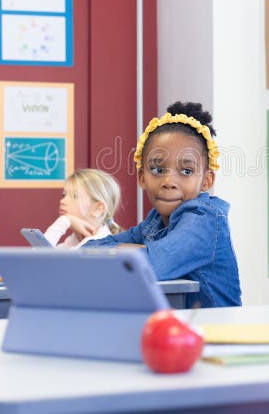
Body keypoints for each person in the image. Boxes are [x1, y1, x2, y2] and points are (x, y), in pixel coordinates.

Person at [83, 101, 242, 308]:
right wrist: (142, 250)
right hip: (177, 327)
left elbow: (150, 265)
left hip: (216, 332)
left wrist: (141, 252)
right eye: (158, 170)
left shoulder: (204, 219)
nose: (169, 182)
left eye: (186, 171)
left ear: (206, 181)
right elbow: (88, 249)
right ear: (142, 177)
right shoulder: (156, 222)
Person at [43, 168, 122, 249]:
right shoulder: (75, 240)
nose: (63, 201)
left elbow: (41, 257)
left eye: (74, 196)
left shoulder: (97, 245)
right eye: (64, 195)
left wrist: (64, 221)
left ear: (98, 209)